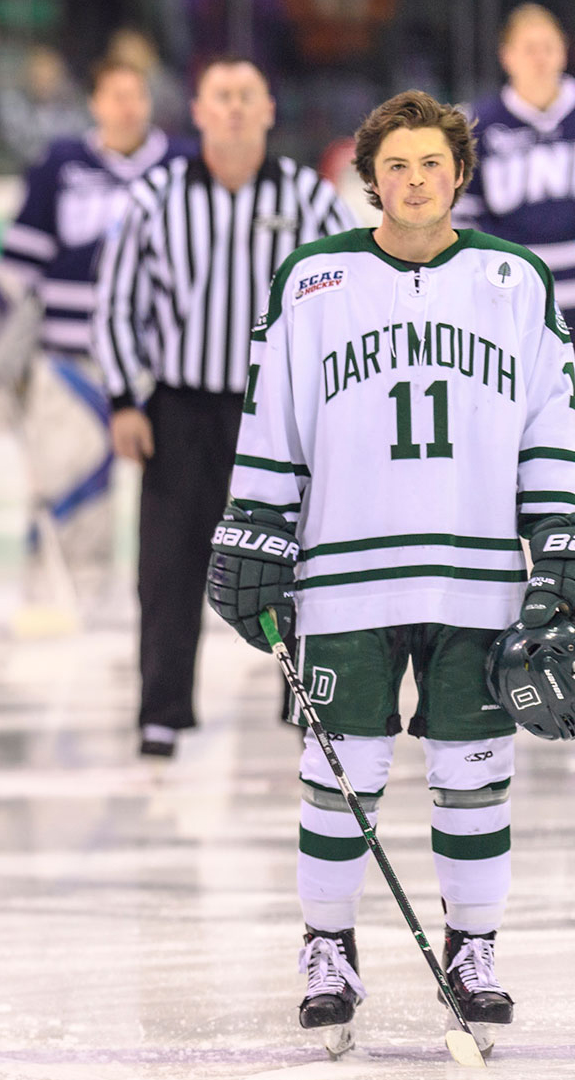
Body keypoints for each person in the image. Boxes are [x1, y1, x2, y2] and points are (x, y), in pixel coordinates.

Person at [211, 89, 569, 1056]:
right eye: (397, 165)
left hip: (478, 577)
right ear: (371, 177)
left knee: (473, 772)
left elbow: (550, 424)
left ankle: (475, 950)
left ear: (460, 172)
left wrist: (563, 540)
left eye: (432, 164)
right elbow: (272, 417)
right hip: (343, 572)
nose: (415, 181)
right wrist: (252, 526)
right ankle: (328, 946)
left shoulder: (516, 279)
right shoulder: (312, 280)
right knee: (343, 777)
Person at [92, 56, 354, 758]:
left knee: (305, 556)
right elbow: (118, 304)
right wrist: (124, 397)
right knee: (169, 566)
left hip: (283, 413)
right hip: (181, 411)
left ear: (269, 109)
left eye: (247, 96)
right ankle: (163, 709)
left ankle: (306, 699)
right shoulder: (155, 198)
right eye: (221, 97)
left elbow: (347, 304)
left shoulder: (312, 198)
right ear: (199, 112)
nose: (235, 108)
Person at [0, 57, 185, 597]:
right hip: (67, 355)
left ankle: (166, 598)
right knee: (68, 484)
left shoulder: (181, 164)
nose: (127, 107)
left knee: (173, 497)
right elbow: (18, 265)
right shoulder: (59, 164)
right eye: (116, 96)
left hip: (158, 361)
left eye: (137, 96)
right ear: (95, 103)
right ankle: (70, 604)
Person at [458, 3, 575, 328]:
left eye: (548, 47)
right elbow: (463, 213)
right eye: (529, 49)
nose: (540, 58)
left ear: (564, 51)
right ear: (506, 55)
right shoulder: (477, 125)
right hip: (516, 297)